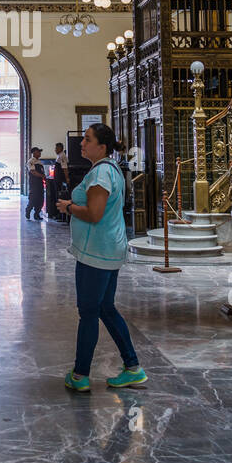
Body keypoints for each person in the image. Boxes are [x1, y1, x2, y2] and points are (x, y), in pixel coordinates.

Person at [56, 124, 146, 391]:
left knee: (88, 312)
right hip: (107, 248)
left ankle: (80, 375)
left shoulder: (102, 173)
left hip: (96, 252)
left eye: (87, 139)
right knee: (105, 307)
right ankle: (133, 368)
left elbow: (94, 213)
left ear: (102, 147)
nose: (81, 143)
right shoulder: (107, 169)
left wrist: (69, 207)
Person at [25, 146, 45, 220]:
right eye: (38, 151)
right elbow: (33, 172)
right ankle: (28, 210)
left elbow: (42, 172)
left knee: (40, 199)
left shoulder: (40, 162)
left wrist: (44, 177)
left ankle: (37, 214)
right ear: (34, 153)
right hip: (34, 183)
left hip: (40, 183)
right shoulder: (31, 161)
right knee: (33, 198)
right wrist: (42, 176)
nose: (40, 153)